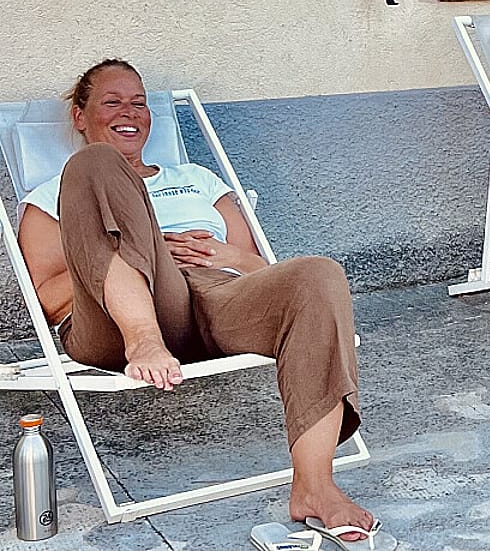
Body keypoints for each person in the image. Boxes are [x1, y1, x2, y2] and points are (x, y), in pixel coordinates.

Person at [16, 59, 378, 540]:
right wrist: (141, 250)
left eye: (139, 102)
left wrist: (224, 253)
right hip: (115, 319)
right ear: (81, 116)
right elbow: (49, 298)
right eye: (112, 101)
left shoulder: (198, 178)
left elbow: (257, 270)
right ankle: (146, 338)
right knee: (96, 163)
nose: (130, 111)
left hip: (214, 296)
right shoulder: (55, 193)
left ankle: (314, 485)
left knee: (318, 273)